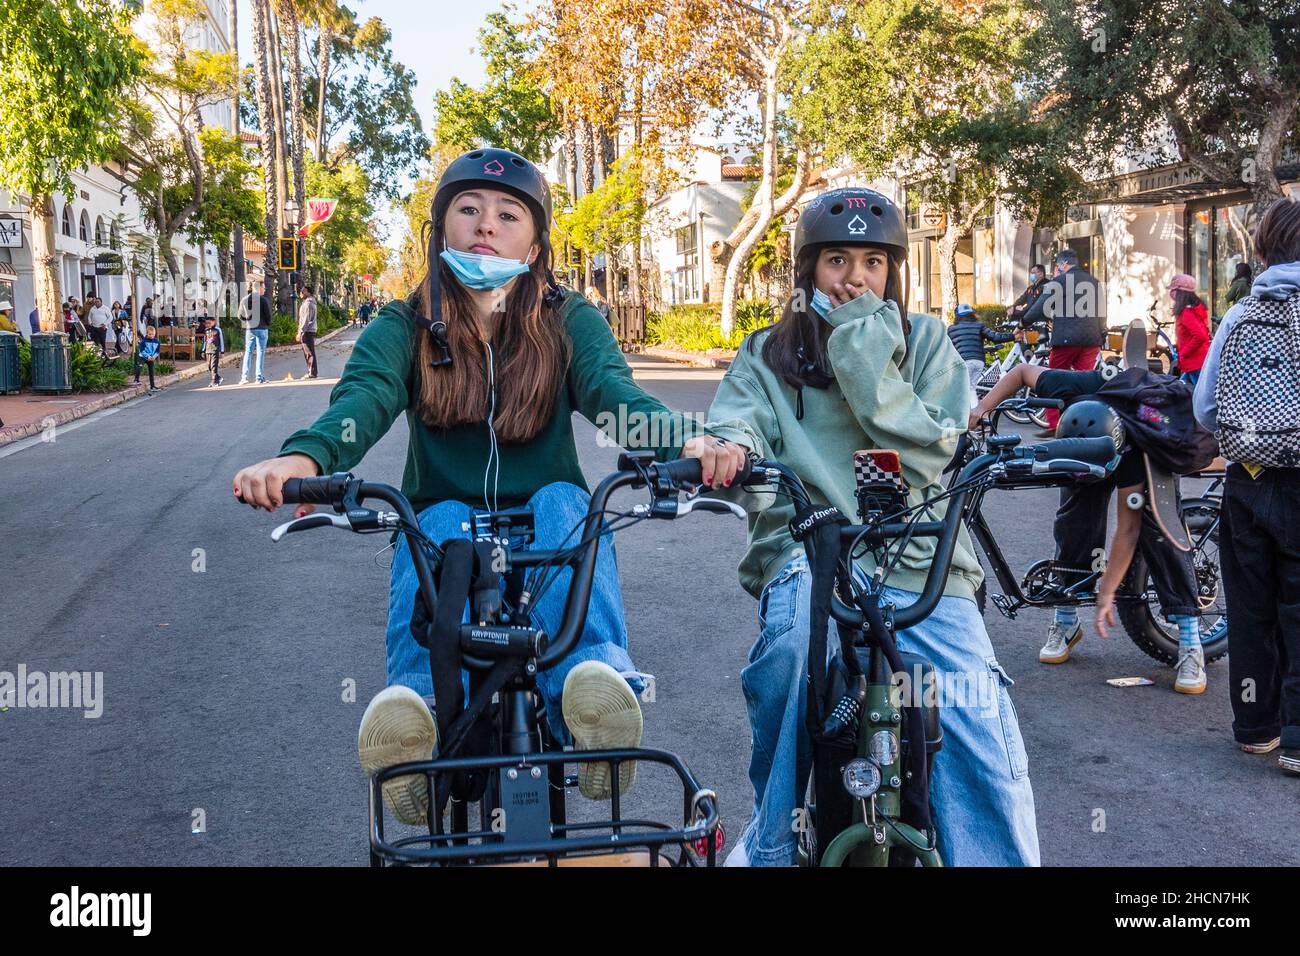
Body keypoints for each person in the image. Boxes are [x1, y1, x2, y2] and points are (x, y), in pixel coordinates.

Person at [231, 146, 747, 825]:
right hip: (451, 542)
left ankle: (592, 703)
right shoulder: (404, 324)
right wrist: (301, 462)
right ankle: (414, 722)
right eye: (468, 210)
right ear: (441, 229)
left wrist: (690, 441)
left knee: (569, 500)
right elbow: (361, 401)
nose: (485, 225)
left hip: (549, 540)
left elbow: (614, 396)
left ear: (535, 245)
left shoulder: (569, 319)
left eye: (508, 215)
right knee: (436, 517)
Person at [704, 186, 1039, 867]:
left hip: (920, 556)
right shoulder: (766, 353)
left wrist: (861, 348)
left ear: (894, 273)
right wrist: (729, 448)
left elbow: (933, 447)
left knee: (976, 704)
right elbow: (734, 422)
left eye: (872, 263)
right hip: (811, 551)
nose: (854, 277)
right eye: (835, 260)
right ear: (808, 272)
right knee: (788, 658)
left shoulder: (927, 345)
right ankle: (768, 845)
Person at [971, 362, 1209, 693]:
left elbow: (1127, 530)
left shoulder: (1133, 448)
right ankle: (1067, 620)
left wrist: (1108, 591)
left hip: (1149, 438)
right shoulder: (1071, 387)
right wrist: (982, 408)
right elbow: (1021, 372)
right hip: (1089, 449)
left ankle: (1189, 640)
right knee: (1074, 521)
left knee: (1158, 532)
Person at [1195, 196, 1300, 776]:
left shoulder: (1241, 313)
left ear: (1265, 247)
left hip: (1249, 477)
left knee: (1251, 605)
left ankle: (1255, 728)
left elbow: (1206, 406)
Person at [1020, 249, 1106, 436]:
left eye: (1058, 266)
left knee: (1052, 378)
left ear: (1063, 264)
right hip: (1091, 340)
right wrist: (1101, 332)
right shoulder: (1095, 282)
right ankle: (1083, 421)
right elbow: (1102, 312)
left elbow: (1039, 308)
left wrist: (1022, 323)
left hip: (1065, 340)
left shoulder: (1058, 282)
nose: (1057, 269)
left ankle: (1056, 424)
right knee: (1084, 382)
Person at [947, 302, 1015, 403]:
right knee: (971, 388)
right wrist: (1013, 336)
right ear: (972, 314)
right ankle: (974, 413)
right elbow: (995, 337)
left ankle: (973, 415)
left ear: (957, 317)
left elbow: (947, 348)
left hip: (963, 362)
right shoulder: (979, 326)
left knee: (965, 389)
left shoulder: (951, 329)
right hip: (979, 362)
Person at [1168, 273, 1210, 386]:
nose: (1171, 294)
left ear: (1180, 293)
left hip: (1194, 363)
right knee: (1181, 389)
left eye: (1173, 290)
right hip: (1196, 362)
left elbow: (1201, 336)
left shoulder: (1186, 313)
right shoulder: (1194, 309)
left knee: (1197, 398)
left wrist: (1183, 353)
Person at [238, 282, 271, 385]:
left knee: (248, 352)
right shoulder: (264, 300)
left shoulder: (244, 300)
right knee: (260, 352)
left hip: (250, 329)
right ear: (259, 288)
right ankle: (259, 377)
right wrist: (267, 323)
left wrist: (247, 320)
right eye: (264, 288)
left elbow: (240, 315)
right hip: (262, 328)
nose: (264, 290)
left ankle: (244, 377)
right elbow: (268, 315)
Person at [296, 283, 318, 379]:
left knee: (309, 352)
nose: (301, 292)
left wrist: (300, 332)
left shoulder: (308, 304)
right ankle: (312, 371)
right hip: (309, 330)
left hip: (307, 331)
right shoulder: (309, 302)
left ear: (308, 292)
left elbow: (305, 320)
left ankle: (312, 372)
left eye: (303, 291)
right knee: (309, 352)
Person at [201, 316, 224, 387]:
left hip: (215, 350)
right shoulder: (206, 330)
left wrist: (222, 351)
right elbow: (205, 341)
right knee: (209, 366)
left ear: (214, 322)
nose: (207, 324)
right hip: (208, 350)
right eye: (206, 323)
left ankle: (214, 381)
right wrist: (203, 350)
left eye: (209, 323)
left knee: (213, 366)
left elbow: (221, 341)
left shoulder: (218, 330)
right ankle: (218, 378)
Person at [137, 325, 161, 392]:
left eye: (153, 334)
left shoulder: (157, 342)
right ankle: (136, 379)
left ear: (155, 334)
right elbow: (142, 351)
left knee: (151, 371)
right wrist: (148, 356)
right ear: (147, 333)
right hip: (143, 357)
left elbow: (157, 351)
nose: (151, 336)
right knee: (140, 366)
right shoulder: (143, 342)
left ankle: (152, 386)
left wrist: (154, 356)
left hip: (151, 358)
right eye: (150, 334)